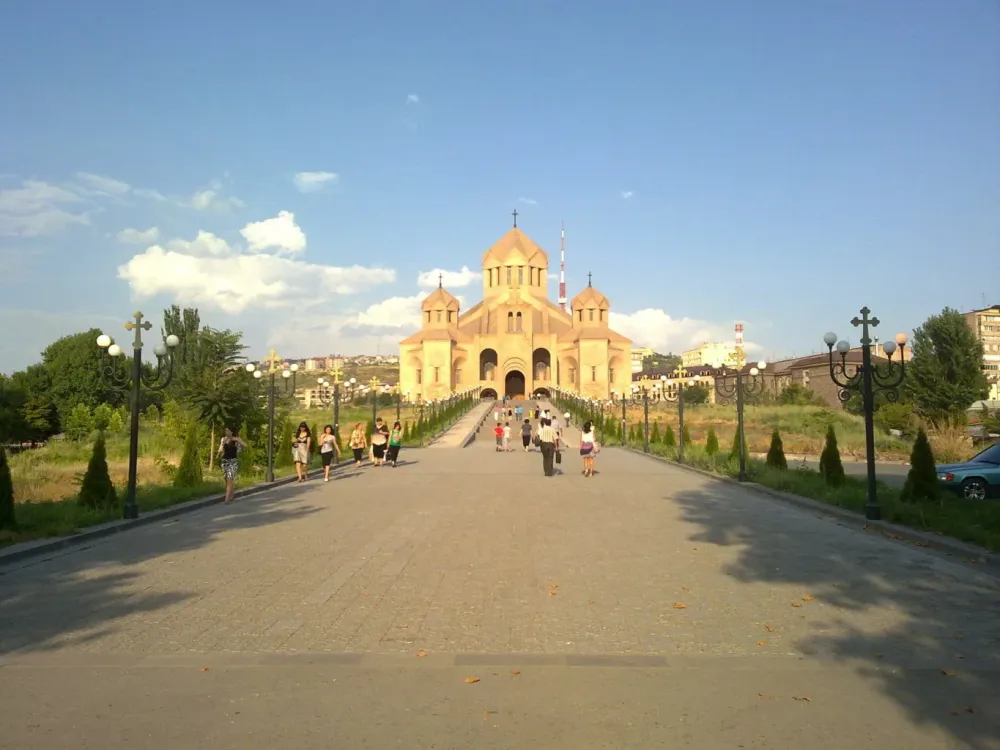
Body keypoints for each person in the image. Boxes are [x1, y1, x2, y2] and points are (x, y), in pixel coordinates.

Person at [216, 427, 247, 502]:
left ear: (232, 432)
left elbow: (245, 445)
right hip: (225, 461)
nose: (226, 431)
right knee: (227, 479)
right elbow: (221, 448)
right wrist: (218, 454)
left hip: (233, 461)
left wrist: (238, 441)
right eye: (225, 430)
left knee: (230, 479)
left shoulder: (236, 439)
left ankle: (227, 498)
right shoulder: (223, 439)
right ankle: (232, 494)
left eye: (227, 430)